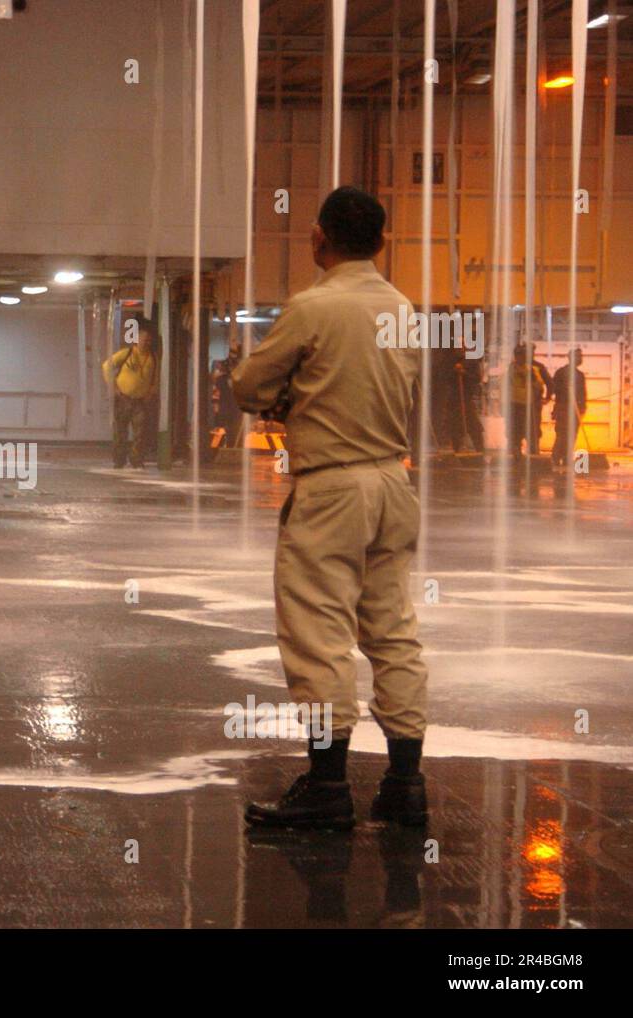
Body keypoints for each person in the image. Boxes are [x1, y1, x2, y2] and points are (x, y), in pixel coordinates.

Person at [232, 186, 430, 830]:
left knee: (319, 635)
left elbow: (248, 386)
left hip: (331, 490)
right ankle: (405, 785)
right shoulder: (404, 308)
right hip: (392, 484)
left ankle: (326, 786)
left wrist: (288, 396)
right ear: (381, 242)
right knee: (393, 631)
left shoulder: (312, 306)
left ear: (319, 238)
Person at [102, 320, 159, 469]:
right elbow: (107, 365)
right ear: (137, 340)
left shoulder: (153, 358)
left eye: (149, 341)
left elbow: (156, 378)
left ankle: (137, 460)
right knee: (120, 431)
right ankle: (119, 460)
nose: (146, 343)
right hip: (123, 398)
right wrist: (113, 386)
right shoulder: (127, 353)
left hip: (140, 401)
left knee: (140, 433)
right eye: (144, 340)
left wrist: (151, 393)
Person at [506, 343, 547, 461]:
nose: (521, 358)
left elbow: (540, 385)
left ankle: (533, 454)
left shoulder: (533, 369)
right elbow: (506, 384)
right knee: (515, 431)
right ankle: (515, 453)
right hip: (514, 404)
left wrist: (531, 378)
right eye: (518, 355)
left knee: (531, 430)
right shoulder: (511, 368)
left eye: (523, 355)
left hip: (528, 405)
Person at [550, 347, 587, 472]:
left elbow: (583, 393)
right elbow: (554, 388)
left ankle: (566, 457)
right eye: (579, 356)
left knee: (572, 434)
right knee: (562, 433)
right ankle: (555, 457)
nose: (581, 359)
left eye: (581, 356)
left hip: (575, 410)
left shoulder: (580, 375)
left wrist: (582, 407)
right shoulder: (561, 372)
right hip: (563, 408)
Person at [212, 341, 244, 448]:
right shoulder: (222, 377)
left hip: (235, 407)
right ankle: (232, 446)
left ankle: (235, 446)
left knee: (235, 428)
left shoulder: (239, 371)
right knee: (230, 428)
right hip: (229, 407)